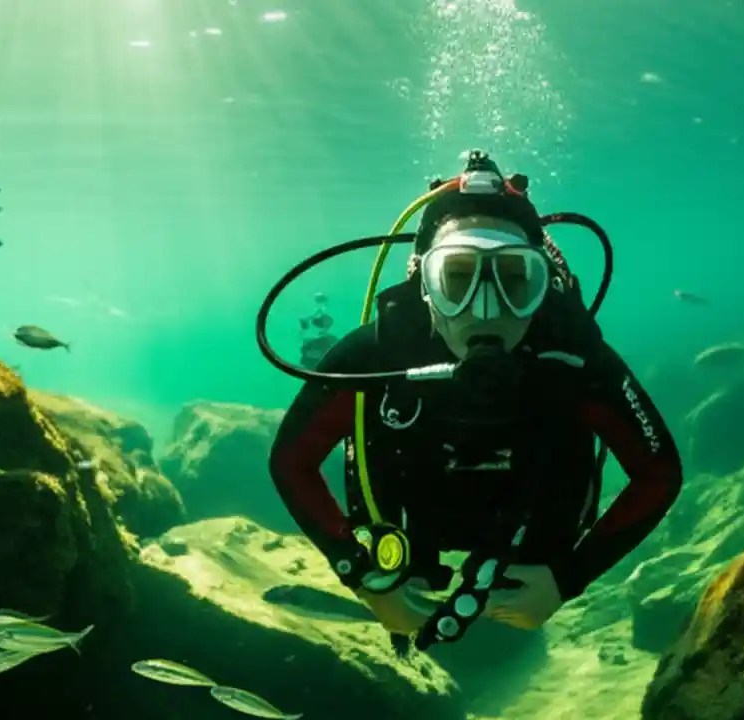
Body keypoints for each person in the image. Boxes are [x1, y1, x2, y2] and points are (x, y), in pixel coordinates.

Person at [264, 151, 682, 651]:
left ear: (542, 285)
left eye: (513, 279)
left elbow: (658, 472)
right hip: (411, 545)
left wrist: (569, 576)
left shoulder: (571, 356)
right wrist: (361, 573)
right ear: (424, 285)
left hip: (533, 548)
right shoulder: (378, 354)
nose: (485, 310)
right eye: (457, 278)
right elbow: (291, 461)